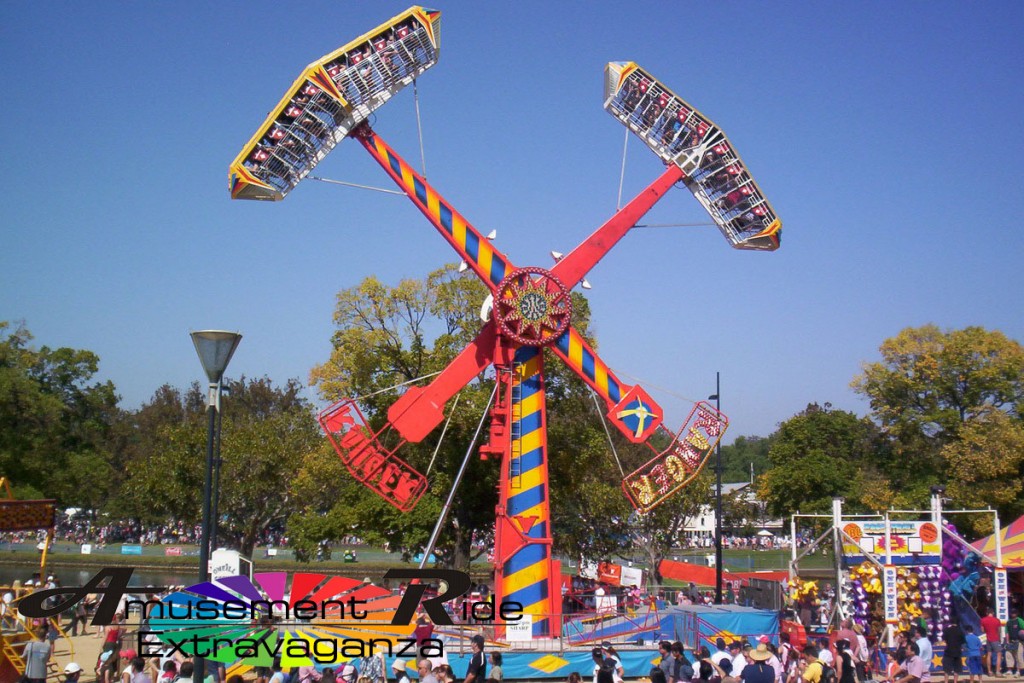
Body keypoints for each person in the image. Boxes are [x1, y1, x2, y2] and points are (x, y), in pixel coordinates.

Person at [979, 608, 1002, 677]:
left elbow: (982, 630)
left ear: (987, 613)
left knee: (989, 654)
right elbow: (999, 631)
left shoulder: (983, 620)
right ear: (993, 613)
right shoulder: (997, 620)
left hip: (988, 639)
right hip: (995, 638)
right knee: (999, 654)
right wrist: (999, 638)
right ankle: (997, 671)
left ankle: (989, 671)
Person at [942, 618, 965, 683]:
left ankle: (946, 681)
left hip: (948, 651)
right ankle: (955, 681)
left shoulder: (947, 630)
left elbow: (944, 639)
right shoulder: (960, 631)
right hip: (957, 651)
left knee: (947, 669)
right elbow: (963, 641)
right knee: (956, 669)